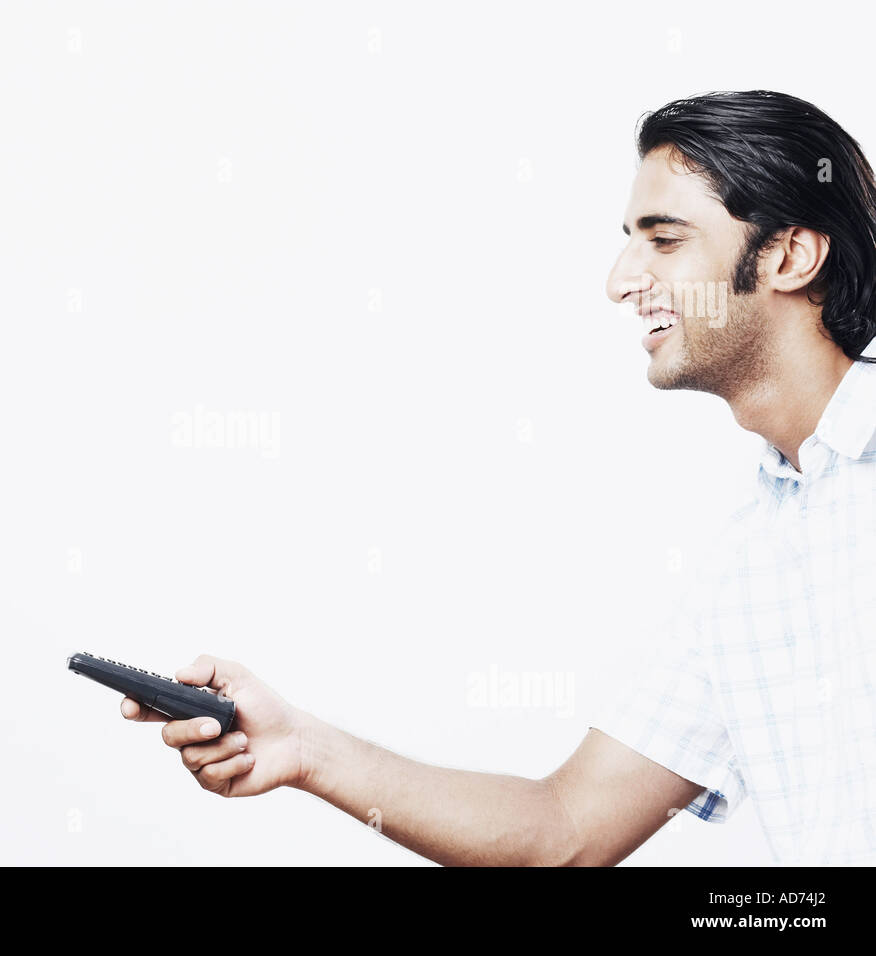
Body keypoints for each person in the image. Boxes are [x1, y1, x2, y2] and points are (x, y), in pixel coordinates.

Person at [121, 90, 876, 865]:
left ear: (790, 256)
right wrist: (302, 746)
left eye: (666, 241)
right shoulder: (751, 562)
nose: (621, 281)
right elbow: (566, 830)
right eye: (630, 242)